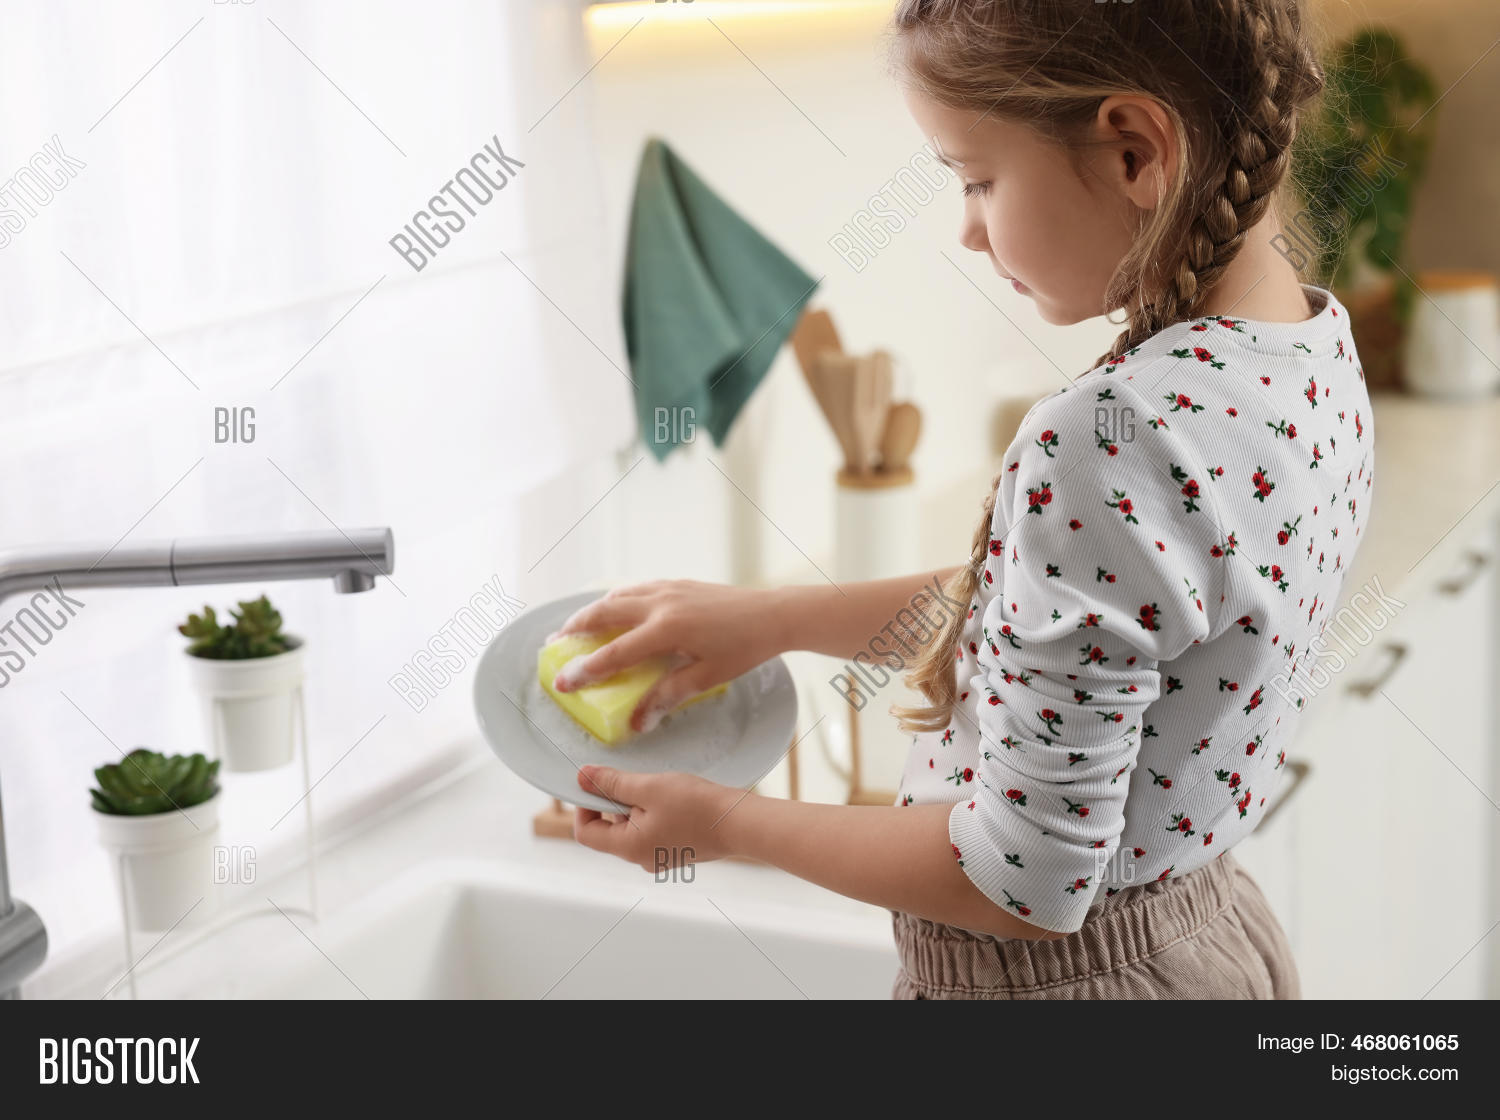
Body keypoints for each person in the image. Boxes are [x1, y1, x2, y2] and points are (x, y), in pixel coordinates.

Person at [553, 0, 1369, 999]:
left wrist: (723, 823)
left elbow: (1019, 882)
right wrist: (773, 620)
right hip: (1208, 938)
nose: (970, 231)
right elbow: (1072, 622)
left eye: (978, 179)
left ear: (1135, 150)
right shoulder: (1307, 347)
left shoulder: (1107, 437)